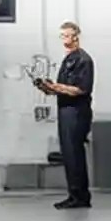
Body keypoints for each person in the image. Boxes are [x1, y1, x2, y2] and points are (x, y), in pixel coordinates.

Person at [40, 21, 95, 209]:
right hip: (65, 110)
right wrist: (48, 88)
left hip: (76, 112)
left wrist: (56, 87)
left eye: (66, 35)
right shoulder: (68, 59)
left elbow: (81, 89)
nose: (63, 39)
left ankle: (81, 197)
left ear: (75, 36)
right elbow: (63, 88)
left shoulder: (83, 60)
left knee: (75, 154)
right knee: (69, 155)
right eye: (62, 35)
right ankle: (74, 194)